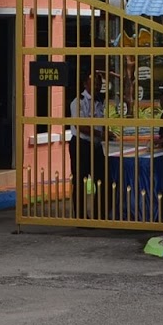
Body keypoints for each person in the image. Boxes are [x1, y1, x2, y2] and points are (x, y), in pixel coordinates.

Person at [69, 70, 107, 217]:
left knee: (102, 180)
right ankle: (80, 216)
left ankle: (100, 215)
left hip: (96, 146)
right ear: (85, 84)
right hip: (81, 144)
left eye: (100, 84)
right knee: (80, 181)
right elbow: (80, 126)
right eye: (94, 83)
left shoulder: (99, 102)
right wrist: (101, 134)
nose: (97, 86)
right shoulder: (78, 101)